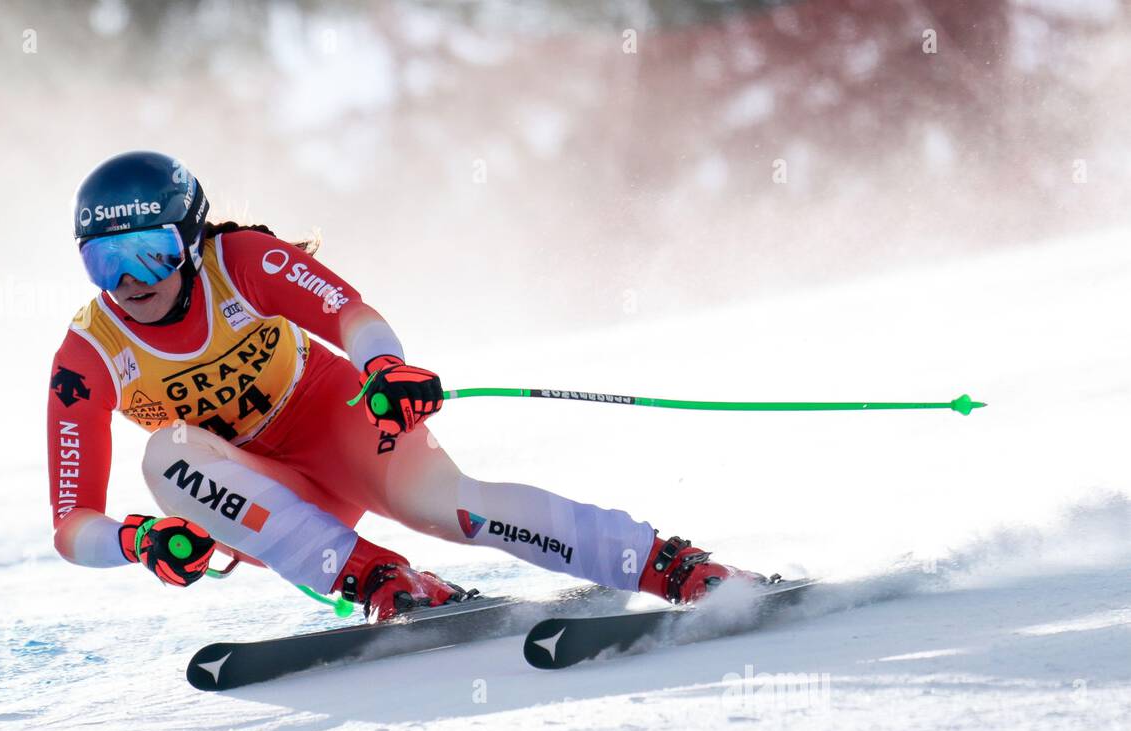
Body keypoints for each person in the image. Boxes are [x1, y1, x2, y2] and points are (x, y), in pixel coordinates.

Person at [48, 150, 763, 621]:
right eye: (106, 264)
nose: (132, 283)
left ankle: (670, 565)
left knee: (454, 510)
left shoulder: (240, 260)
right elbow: (71, 526)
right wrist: (138, 542)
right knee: (165, 456)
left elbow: (348, 313)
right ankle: (379, 579)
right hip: (264, 494)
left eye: (151, 253)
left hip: (340, 425)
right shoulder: (90, 354)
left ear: (193, 240)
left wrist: (385, 368)